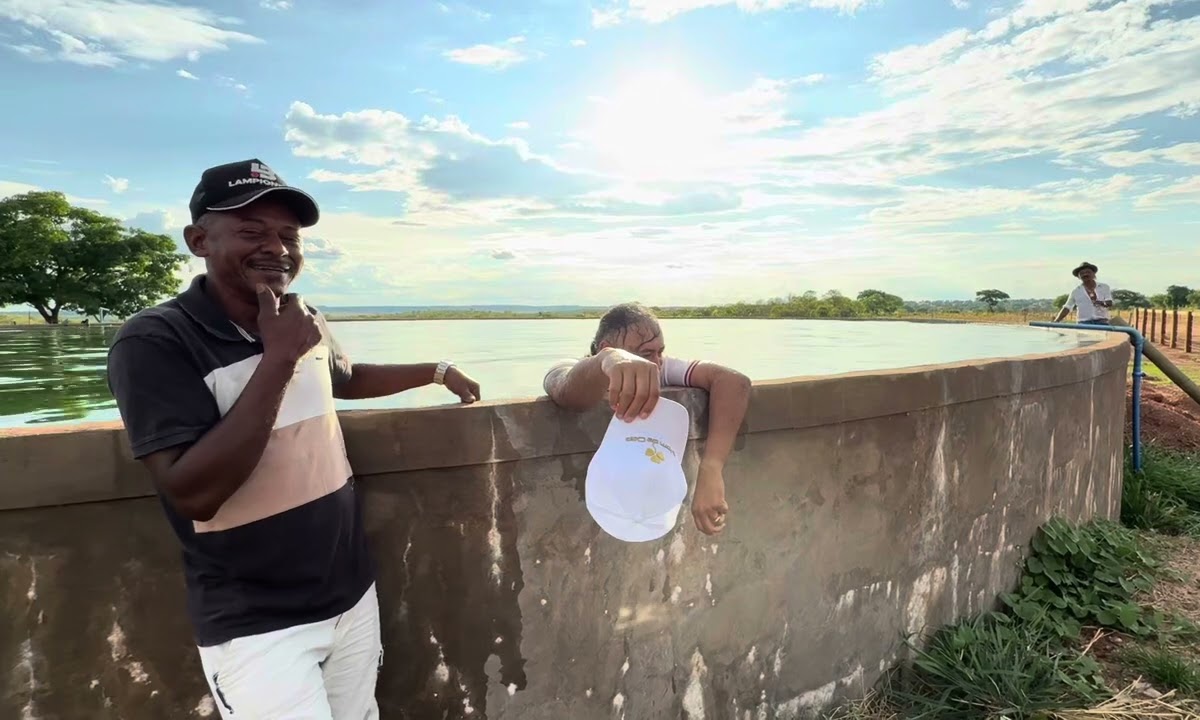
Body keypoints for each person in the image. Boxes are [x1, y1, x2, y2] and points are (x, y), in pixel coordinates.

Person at [106, 158, 481, 720]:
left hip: (351, 596)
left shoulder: (302, 317)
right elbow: (193, 493)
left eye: (288, 235)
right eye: (252, 230)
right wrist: (278, 356)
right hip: (256, 623)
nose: (276, 248)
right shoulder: (154, 340)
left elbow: (342, 377)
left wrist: (436, 369)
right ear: (198, 240)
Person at [542, 303, 752, 536]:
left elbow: (734, 382)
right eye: (645, 354)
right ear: (605, 348)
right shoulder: (574, 367)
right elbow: (562, 388)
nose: (656, 361)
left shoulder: (659, 367)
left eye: (659, 352)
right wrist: (609, 360)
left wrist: (711, 467)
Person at [1054, 261, 1114, 325]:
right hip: (1084, 323)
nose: (1085, 275)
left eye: (1088, 272)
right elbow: (1067, 307)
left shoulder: (1104, 287)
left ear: (1093, 274)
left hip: (1102, 322)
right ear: (1079, 277)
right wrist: (1056, 321)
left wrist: (1102, 303)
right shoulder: (1076, 291)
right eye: (1082, 273)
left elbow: (1109, 302)